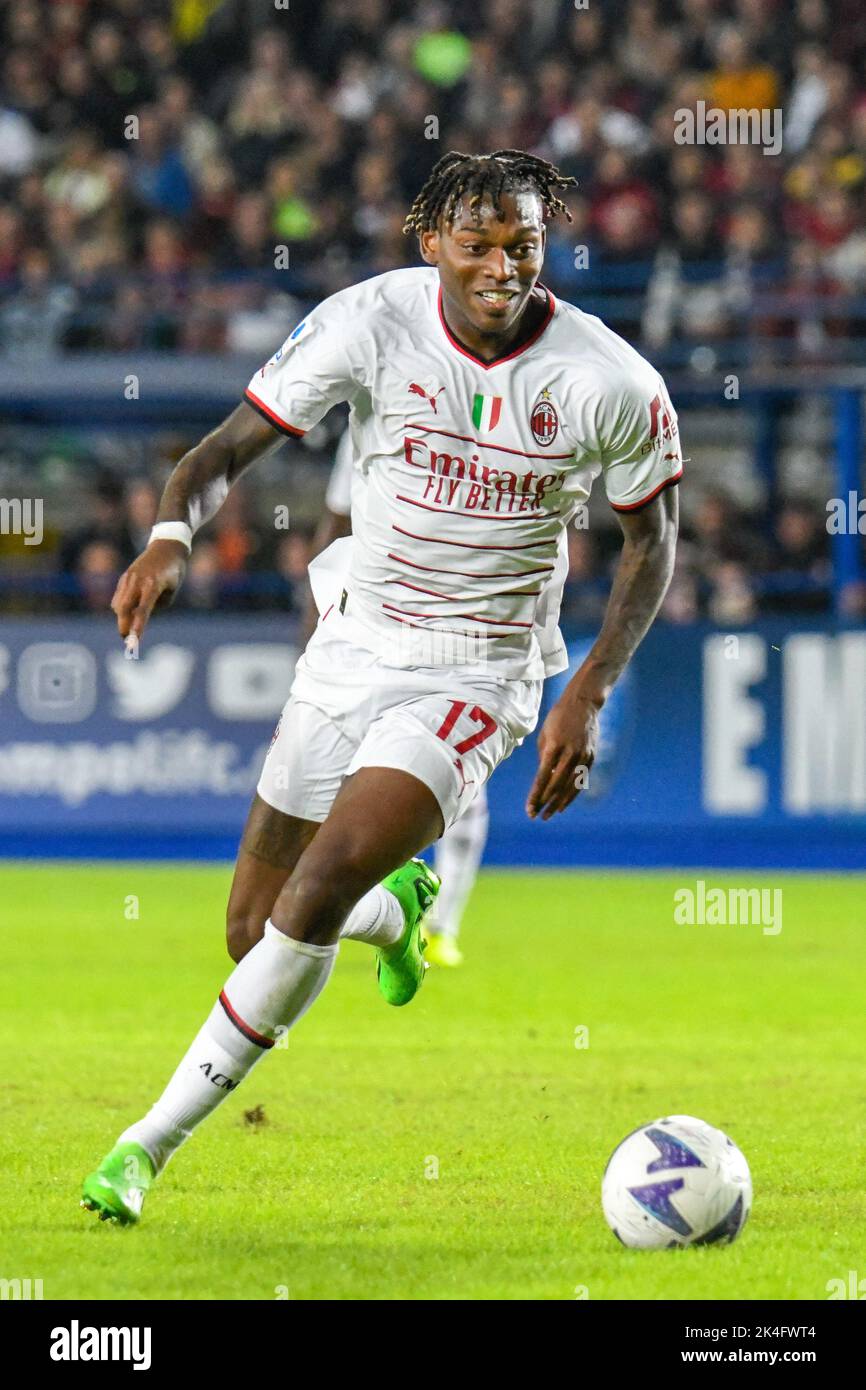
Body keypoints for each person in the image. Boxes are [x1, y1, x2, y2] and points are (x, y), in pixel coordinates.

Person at [82, 149, 680, 1225]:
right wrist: (171, 535)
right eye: (477, 244)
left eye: (523, 245)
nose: (502, 266)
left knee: (308, 892)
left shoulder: (608, 382)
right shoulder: (366, 322)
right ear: (429, 243)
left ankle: (141, 1148)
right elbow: (222, 450)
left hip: (479, 670)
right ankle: (393, 916)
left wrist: (584, 687)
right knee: (253, 930)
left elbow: (652, 541)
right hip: (353, 643)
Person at [301, 427, 490, 968]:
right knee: (354, 782)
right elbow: (337, 524)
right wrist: (314, 620)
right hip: (369, 629)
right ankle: (391, 910)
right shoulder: (366, 424)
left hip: (457, 630)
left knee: (462, 784)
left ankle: (442, 925)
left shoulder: (492, 421)